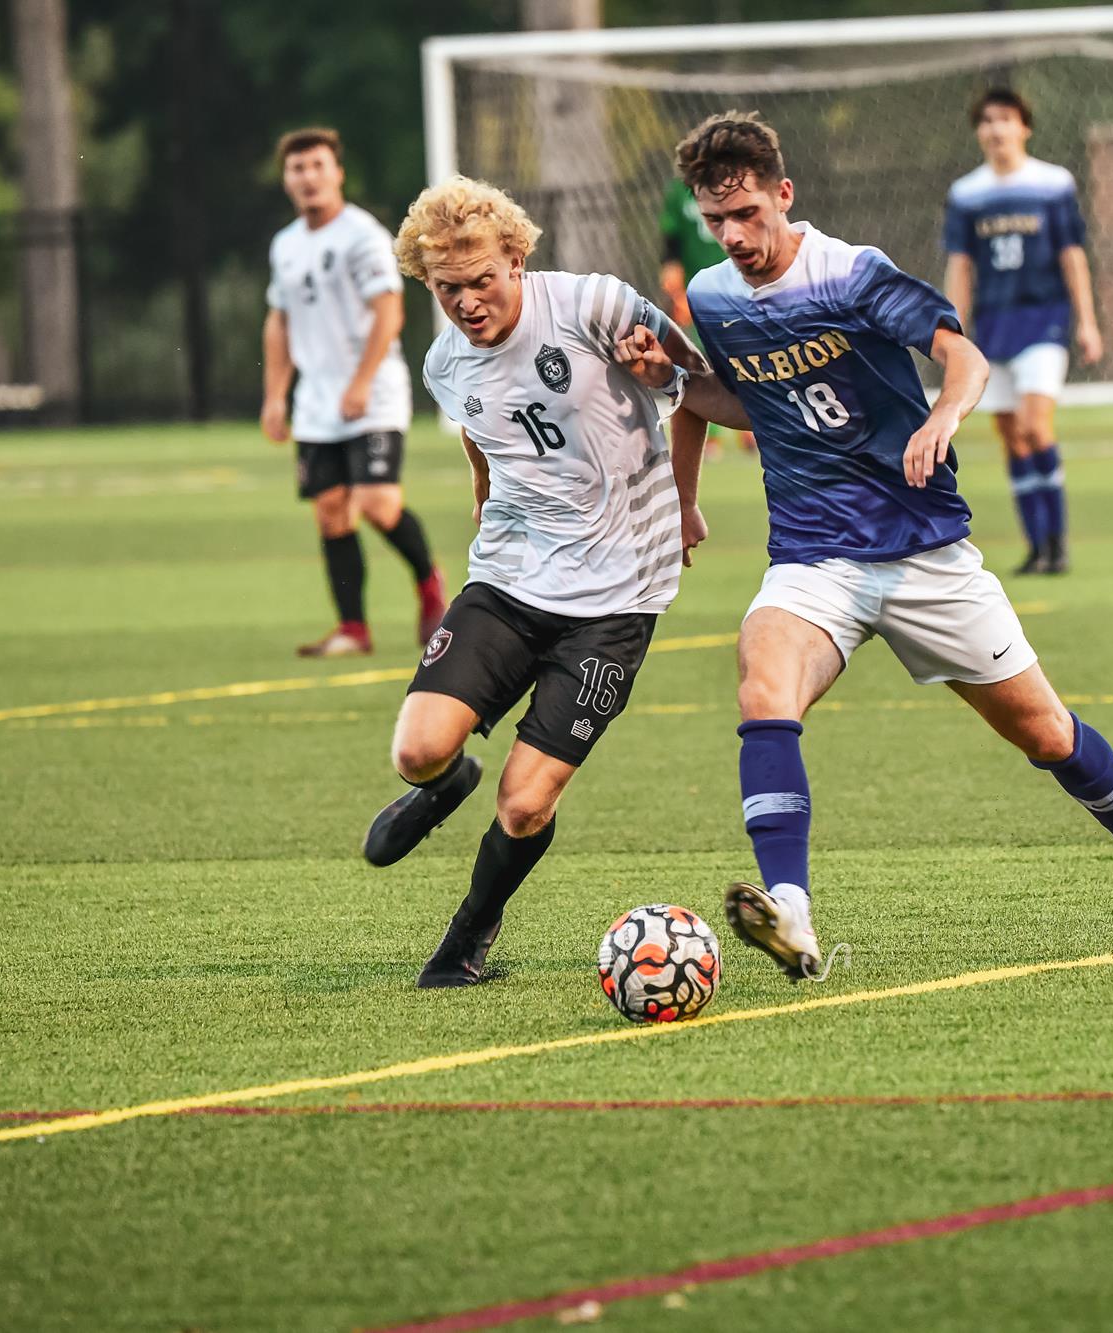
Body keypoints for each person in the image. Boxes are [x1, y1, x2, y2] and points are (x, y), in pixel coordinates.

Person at [632, 111, 1113, 981]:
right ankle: (790, 910)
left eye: (748, 214)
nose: (733, 236)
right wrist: (682, 491)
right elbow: (722, 398)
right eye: (716, 221)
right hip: (813, 557)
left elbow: (966, 356)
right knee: (764, 686)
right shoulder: (715, 298)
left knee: (1049, 736)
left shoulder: (853, 274)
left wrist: (946, 412)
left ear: (783, 195)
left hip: (924, 554)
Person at [361, 175, 726, 989]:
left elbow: (706, 391)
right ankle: (447, 780)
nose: (467, 302)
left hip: (617, 595)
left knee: (525, 804)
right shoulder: (444, 363)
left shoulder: (595, 304)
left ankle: (464, 941)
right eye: (447, 288)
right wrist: (486, 514)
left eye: (482, 280)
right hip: (510, 577)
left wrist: (687, 492)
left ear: (517, 258)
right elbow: (483, 445)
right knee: (417, 751)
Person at [261, 127, 446, 656]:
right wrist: (276, 396)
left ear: (337, 173)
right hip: (317, 401)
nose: (308, 177)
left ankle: (430, 585)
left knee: (376, 503)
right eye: (298, 168)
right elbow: (279, 321)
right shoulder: (286, 245)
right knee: (330, 511)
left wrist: (362, 381)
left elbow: (390, 309)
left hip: (374, 393)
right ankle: (353, 630)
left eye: (318, 165)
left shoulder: (362, 235)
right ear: (287, 179)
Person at [940, 88, 1102, 576]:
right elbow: (961, 263)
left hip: (1044, 321)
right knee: (1012, 437)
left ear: (1025, 127)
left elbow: (1072, 255)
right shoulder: (967, 193)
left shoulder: (1053, 184)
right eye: (987, 121)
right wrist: (952, 329)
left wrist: (1088, 322)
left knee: (1036, 427)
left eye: (1006, 119)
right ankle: (1036, 547)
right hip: (993, 325)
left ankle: (1058, 541)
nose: (996, 129)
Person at [658, 174, 755, 458]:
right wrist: (674, 278)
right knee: (702, 359)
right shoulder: (680, 190)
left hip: (741, 282)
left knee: (746, 351)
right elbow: (671, 238)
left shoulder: (743, 181)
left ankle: (751, 427)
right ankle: (712, 437)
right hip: (697, 286)